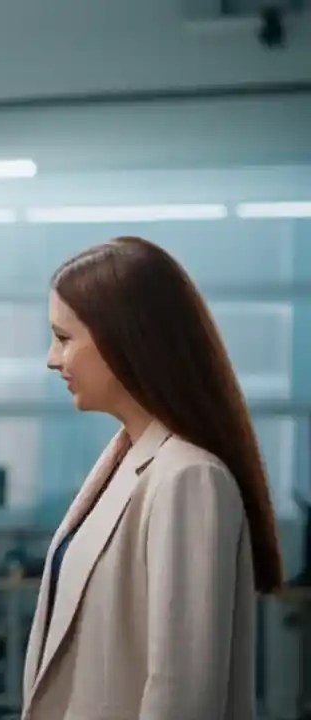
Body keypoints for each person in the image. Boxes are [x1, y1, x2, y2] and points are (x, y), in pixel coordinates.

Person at [21, 236, 285, 720]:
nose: (52, 359)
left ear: (126, 338)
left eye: (63, 338)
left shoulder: (189, 479)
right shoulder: (127, 459)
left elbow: (182, 691)